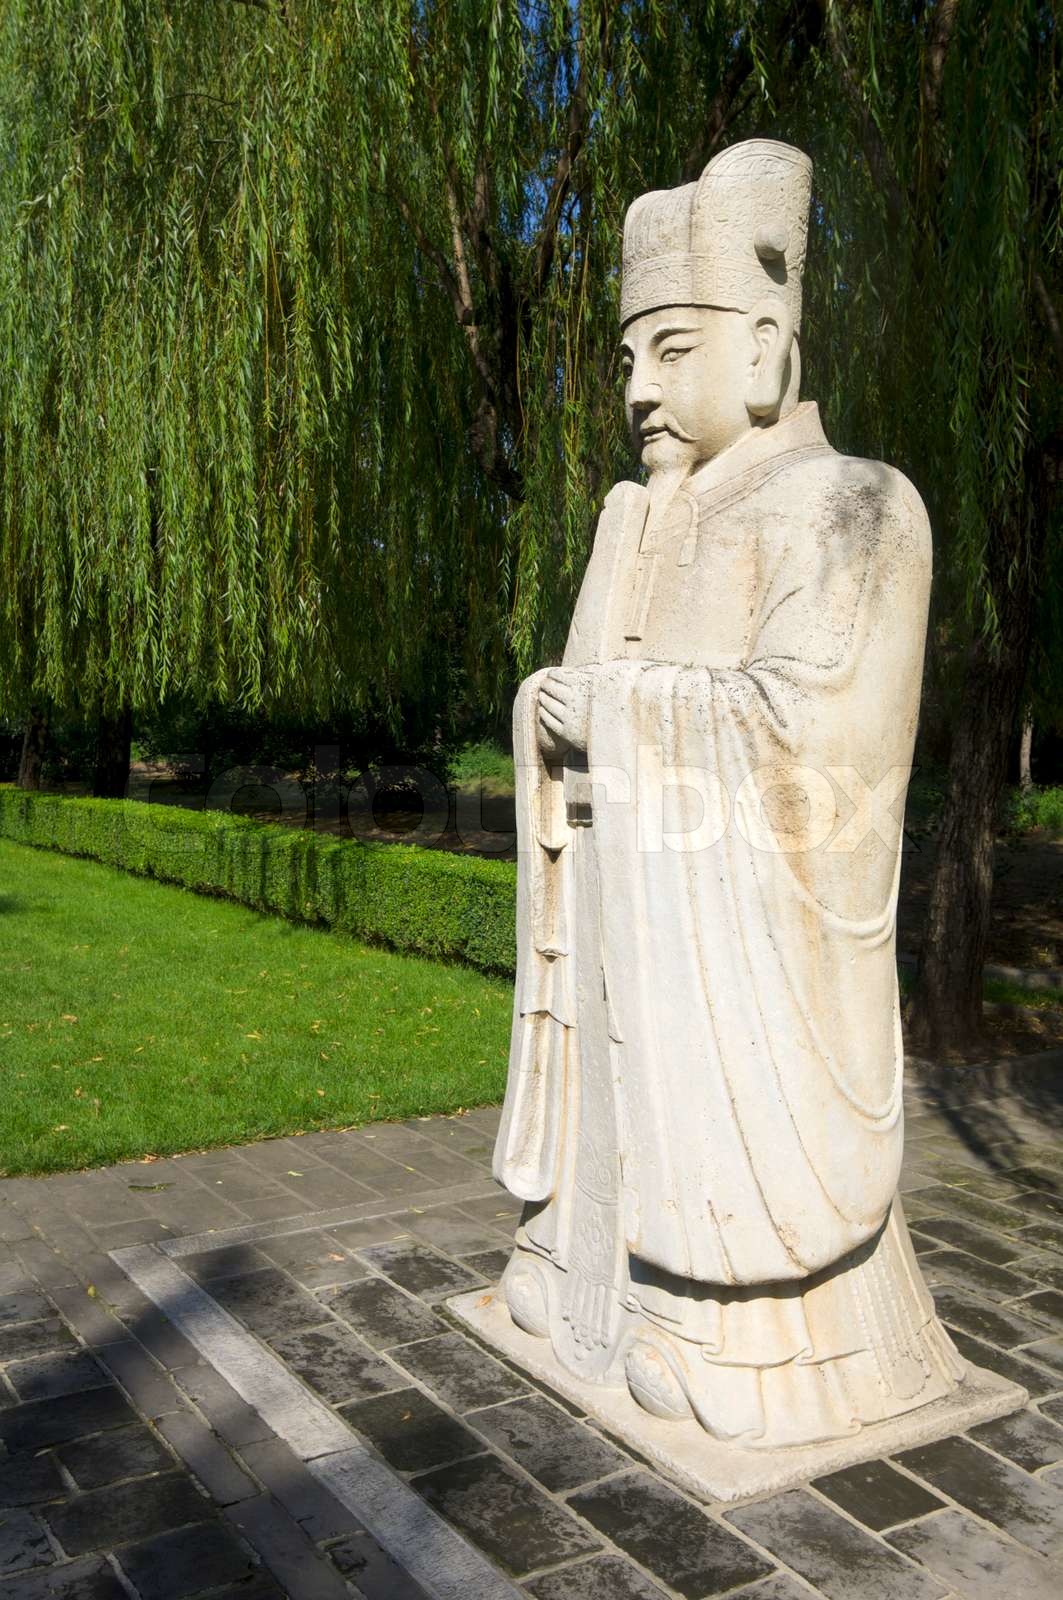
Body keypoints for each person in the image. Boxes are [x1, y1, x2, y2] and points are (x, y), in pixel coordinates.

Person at [492, 139, 964, 1449]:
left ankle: (739, 1313)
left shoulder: (853, 506)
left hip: (752, 945)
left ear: (763, 347)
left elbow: (813, 736)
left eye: (673, 351)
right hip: (624, 902)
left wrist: (627, 716)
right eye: (628, 357)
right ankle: (585, 1253)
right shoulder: (639, 517)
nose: (638, 386)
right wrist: (573, 688)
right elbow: (583, 698)